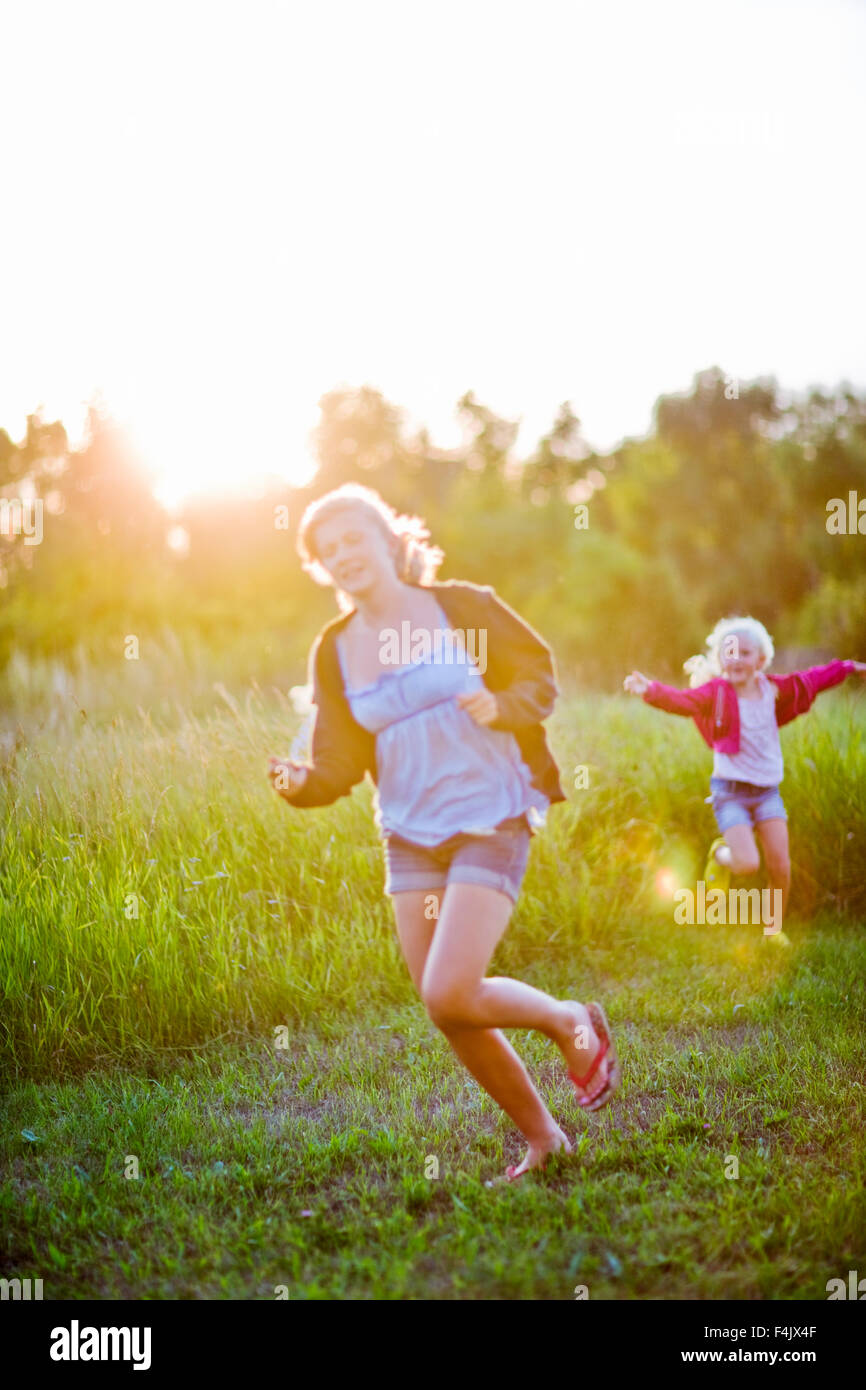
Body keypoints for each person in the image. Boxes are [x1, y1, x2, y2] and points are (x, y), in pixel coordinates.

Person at [268, 483, 621, 1181]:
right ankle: (545, 1139)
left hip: (492, 811)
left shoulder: (462, 606)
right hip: (408, 831)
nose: (343, 556)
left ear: (386, 539)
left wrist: (502, 704)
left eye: (352, 540)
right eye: (327, 550)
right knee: (448, 1008)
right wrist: (303, 785)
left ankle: (567, 1020)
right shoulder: (333, 650)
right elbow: (338, 762)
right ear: (320, 567)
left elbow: (538, 674)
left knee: (449, 989)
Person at [623, 616, 865, 939]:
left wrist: (846, 667)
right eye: (730, 652)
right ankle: (720, 855)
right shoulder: (716, 693)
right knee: (748, 863)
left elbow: (814, 679)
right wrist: (650, 690)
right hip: (731, 794)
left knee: (781, 867)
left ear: (761, 660)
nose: (736, 658)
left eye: (745, 652)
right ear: (721, 659)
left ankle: (773, 930)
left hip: (767, 794)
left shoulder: (773, 690)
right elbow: (683, 702)